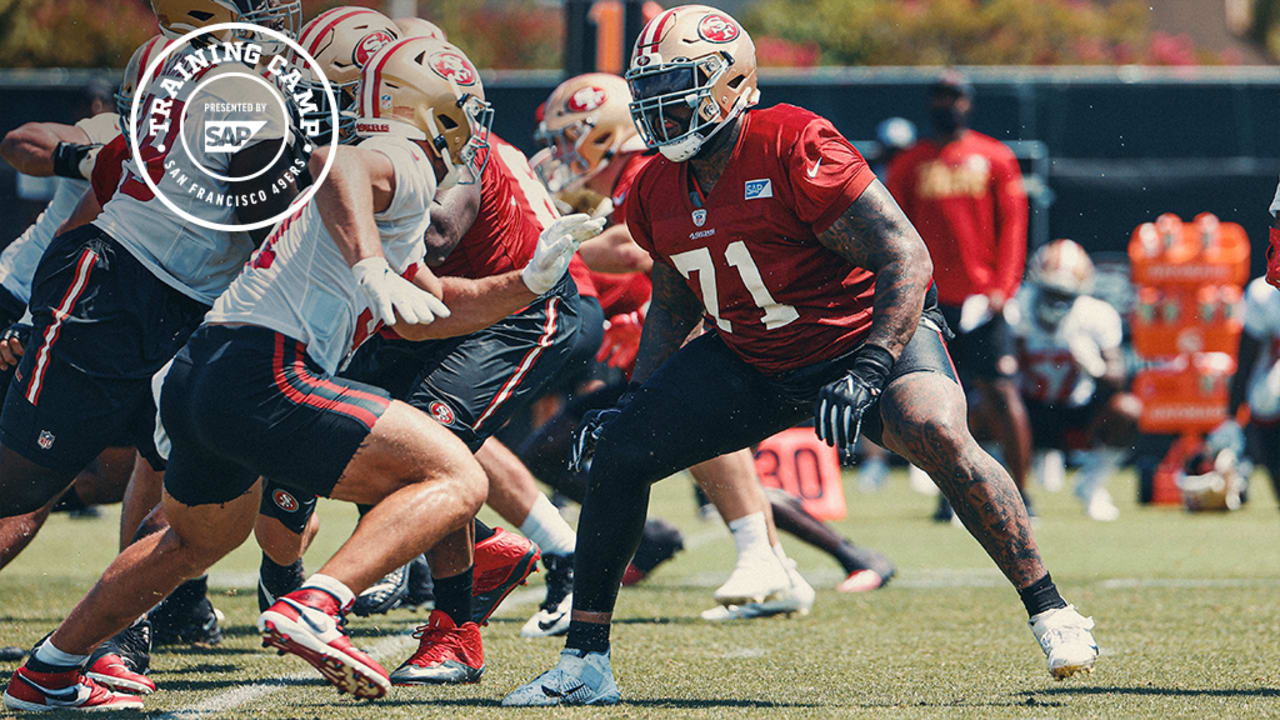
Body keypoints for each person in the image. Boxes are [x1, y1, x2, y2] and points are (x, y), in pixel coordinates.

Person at [503, 6, 1098, 706]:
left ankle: (1053, 610)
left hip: (858, 340)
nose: (662, 101)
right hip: (752, 356)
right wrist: (639, 396)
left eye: (680, 82)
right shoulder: (657, 186)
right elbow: (672, 301)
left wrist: (873, 365)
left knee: (935, 428)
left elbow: (904, 252)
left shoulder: (791, 140)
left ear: (732, 81)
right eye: (652, 85)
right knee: (620, 451)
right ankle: (585, 662)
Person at [3, 36, 603, 712]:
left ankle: (51, 668)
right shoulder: (400, 152)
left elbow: (424, 309)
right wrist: (369, 263)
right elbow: (339, 164)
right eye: (465, 110)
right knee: (455, 475)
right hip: (267, 370)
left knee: (195, 539)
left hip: (204, 373)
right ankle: (317, 604)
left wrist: (526, 282)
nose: (475, 128)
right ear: (433, 108)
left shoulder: (396, 176)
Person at [887, 70, 1034, 521]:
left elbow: (1013, 227)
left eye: (954, 96)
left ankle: (1023, 495)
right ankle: (951, 495)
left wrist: (1002, 289)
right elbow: (893, 229)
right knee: (937, 399)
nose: (946, 104)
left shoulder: (994, 157)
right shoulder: (911, 163)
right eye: (938, 96)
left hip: (982, 300)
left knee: (1002, 393)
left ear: (969, 102)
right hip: (931, 302)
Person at [1012, 239, 1138, 521]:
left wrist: (1096, 367)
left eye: (1065, 293)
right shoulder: (1016, 308)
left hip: (1077, 413)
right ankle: (1006, 490)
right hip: (1025, 414)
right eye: (1051, 291)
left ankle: (1091, 485)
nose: (1057, 301)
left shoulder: (1096, 315)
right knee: (982, 408)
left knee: (1127, 410)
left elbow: (1118, 377)